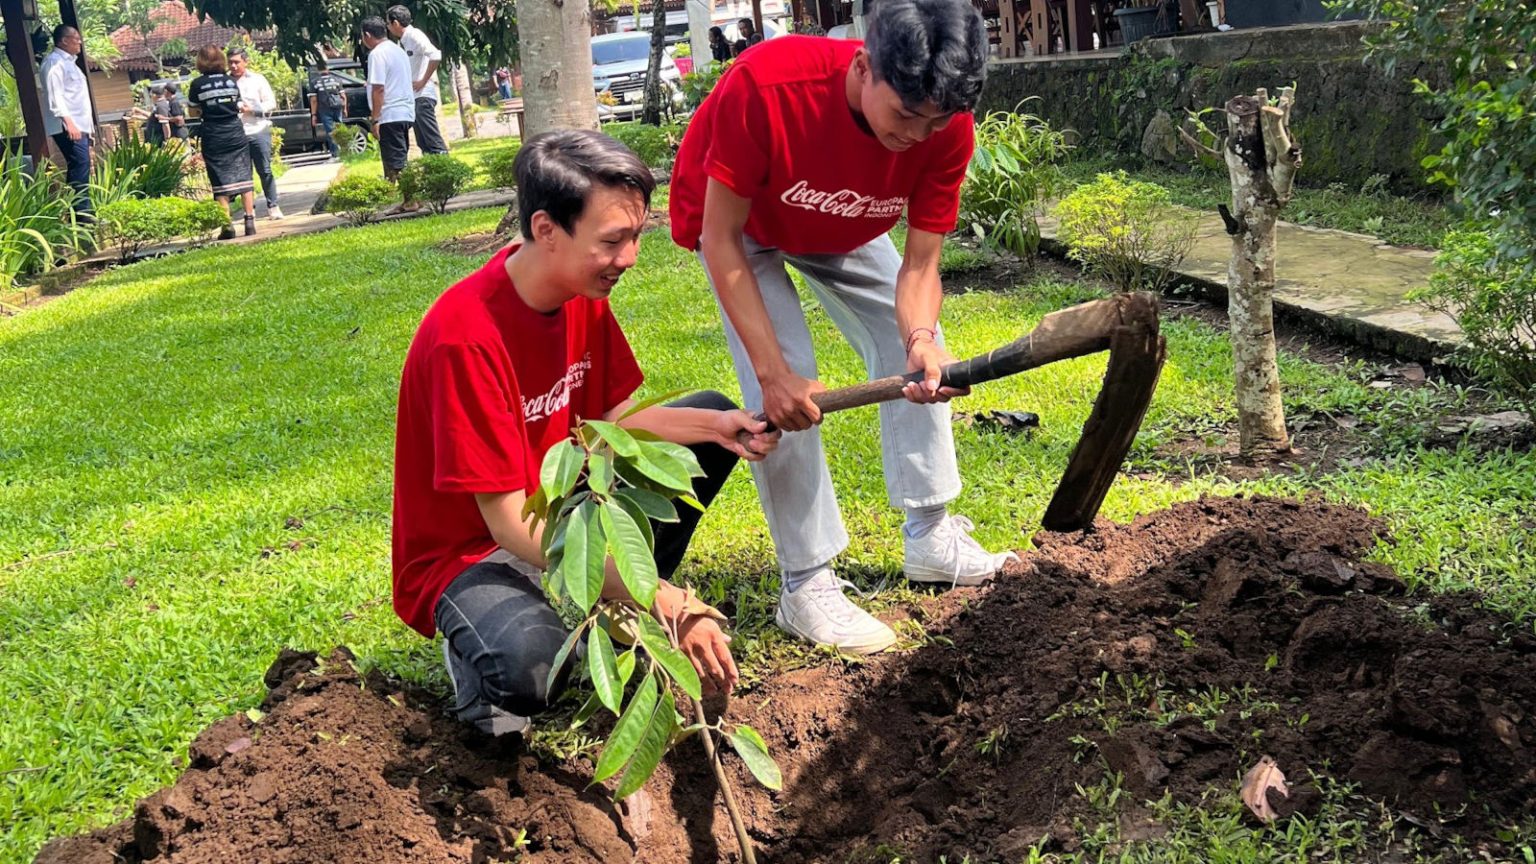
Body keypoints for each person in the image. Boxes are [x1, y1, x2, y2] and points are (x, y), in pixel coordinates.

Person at [392, 129, 781, 735]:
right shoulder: (464, 337)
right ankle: (487, 654)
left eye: (634, 237)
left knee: (706, 420)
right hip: (477, 549)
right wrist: (663, 598)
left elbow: (614, 423)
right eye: (612, 240)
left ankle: (614, 594)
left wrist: (718, 426)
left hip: (568, 506)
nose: (629, 258)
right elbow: (508, 522)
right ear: (546, 229)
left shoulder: (580, 291)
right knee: (532, 670)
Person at [669, 0, 1009, 656]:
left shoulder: (945, 128)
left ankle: (932, 536)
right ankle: (806, 581)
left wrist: (920, 341)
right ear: (862, 68)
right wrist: (772, 373)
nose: (916, 136)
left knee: (919, 349)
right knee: (788, 388)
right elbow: (721, 237)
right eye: (905, 115)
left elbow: (920, 269)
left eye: (933, 122)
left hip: (841, 220)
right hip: (746, 229)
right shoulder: (768, 87)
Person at [187, 46, 257, 238]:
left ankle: (227, 226)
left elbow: (193, 112)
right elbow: (237, 104)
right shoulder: (230, 81)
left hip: (213, 133)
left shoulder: (197, 84)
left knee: (219, 179)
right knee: (244, 175)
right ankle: (249, 221)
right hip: (235, 131)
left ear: (200, 62)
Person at [39, 25, 93, 217]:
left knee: (79, 165)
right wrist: (69, 122)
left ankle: (77, 212)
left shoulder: (70, 63)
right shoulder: (54, 63)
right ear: (64, 41)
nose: (79, 41)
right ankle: (82, 214)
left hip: (78, 124)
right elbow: (55, 95)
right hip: (68, 124)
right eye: (75, 38)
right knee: (80, 163)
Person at [227, 48, 284, 220]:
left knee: (265, 170)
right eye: (230, 62)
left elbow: (270, 103)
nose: (233, 65)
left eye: (237, 62)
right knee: (242, 174)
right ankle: (248, 210)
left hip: (258, 129)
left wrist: (252, 109)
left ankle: (273, 205)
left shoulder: (257, 79)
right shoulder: (226, 82)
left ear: (246, 61)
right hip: (236, 133)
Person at [386, 6, 449, 158]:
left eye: (388, 23)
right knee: (423, 142)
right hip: (414, 98)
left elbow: (435, 55)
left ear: (395, 23)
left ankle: (445, 168)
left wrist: (423, 80)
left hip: (423, 95)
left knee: (432, 139)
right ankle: (433, 174)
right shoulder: (402, 42)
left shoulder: (414, 35)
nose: (387, 27)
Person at [361, 16, 415, 182]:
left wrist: (375, 119)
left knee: (396, 162)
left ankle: (411, 198)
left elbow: (379, 89)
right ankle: (402, 198)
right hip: (405, 111)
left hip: (389, 114)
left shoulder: (377, 54)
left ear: (367, 35)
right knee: (398, 158)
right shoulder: (398, 50)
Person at [309, 65, 348, 161]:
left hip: (324, 109)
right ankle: (345, 151)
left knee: (330, 132)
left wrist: (314, 115)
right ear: (328, 69)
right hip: (337, 108)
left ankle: (335, 154)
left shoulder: (315, 83)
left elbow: (314, 100)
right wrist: (345, 108)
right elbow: (343, 96)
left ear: (319, 70)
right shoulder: (337, 80)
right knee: (340, 128)